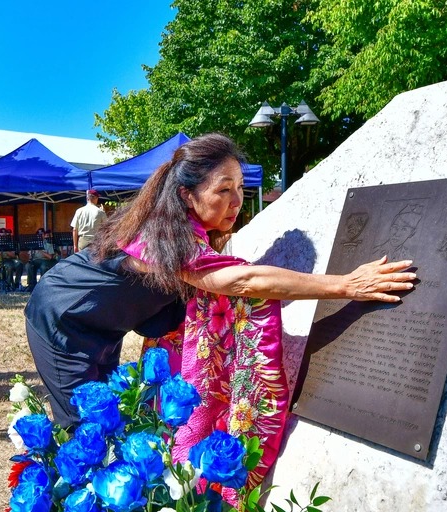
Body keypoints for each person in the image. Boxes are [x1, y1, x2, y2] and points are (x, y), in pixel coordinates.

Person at [25, 134, 415, 447]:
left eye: (241, 188)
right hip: (63, 320)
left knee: (107, 419)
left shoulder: (188, 233)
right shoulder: (163, 238)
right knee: (85, 435)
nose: (236, 200)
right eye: (223, 189)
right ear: (186, 195)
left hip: (101, 326)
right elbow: (242, 281)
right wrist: (345, 285)